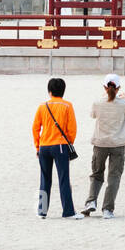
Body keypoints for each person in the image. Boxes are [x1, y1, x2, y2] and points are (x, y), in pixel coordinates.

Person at [80, 73, 125, 218]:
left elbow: (92, 115)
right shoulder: (123, 103)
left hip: (100, 142)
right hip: (118, 143)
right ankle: (107, 209)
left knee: (97, 174)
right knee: (114, 176)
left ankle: (91, 201)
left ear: (105, 87)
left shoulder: (97, 102)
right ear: (118, 88)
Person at [31, 77, 83, 219]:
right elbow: (72, 128)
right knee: (63, 179)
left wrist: (37, 146)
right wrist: (69, 143)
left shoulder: (42, 106)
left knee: (44, 179)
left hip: (44, 146)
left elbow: (35, 127)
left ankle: (41, 211)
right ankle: (68, 211)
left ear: (49, 91)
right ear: (63, 91)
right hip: (60, 145)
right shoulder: (67, 105)